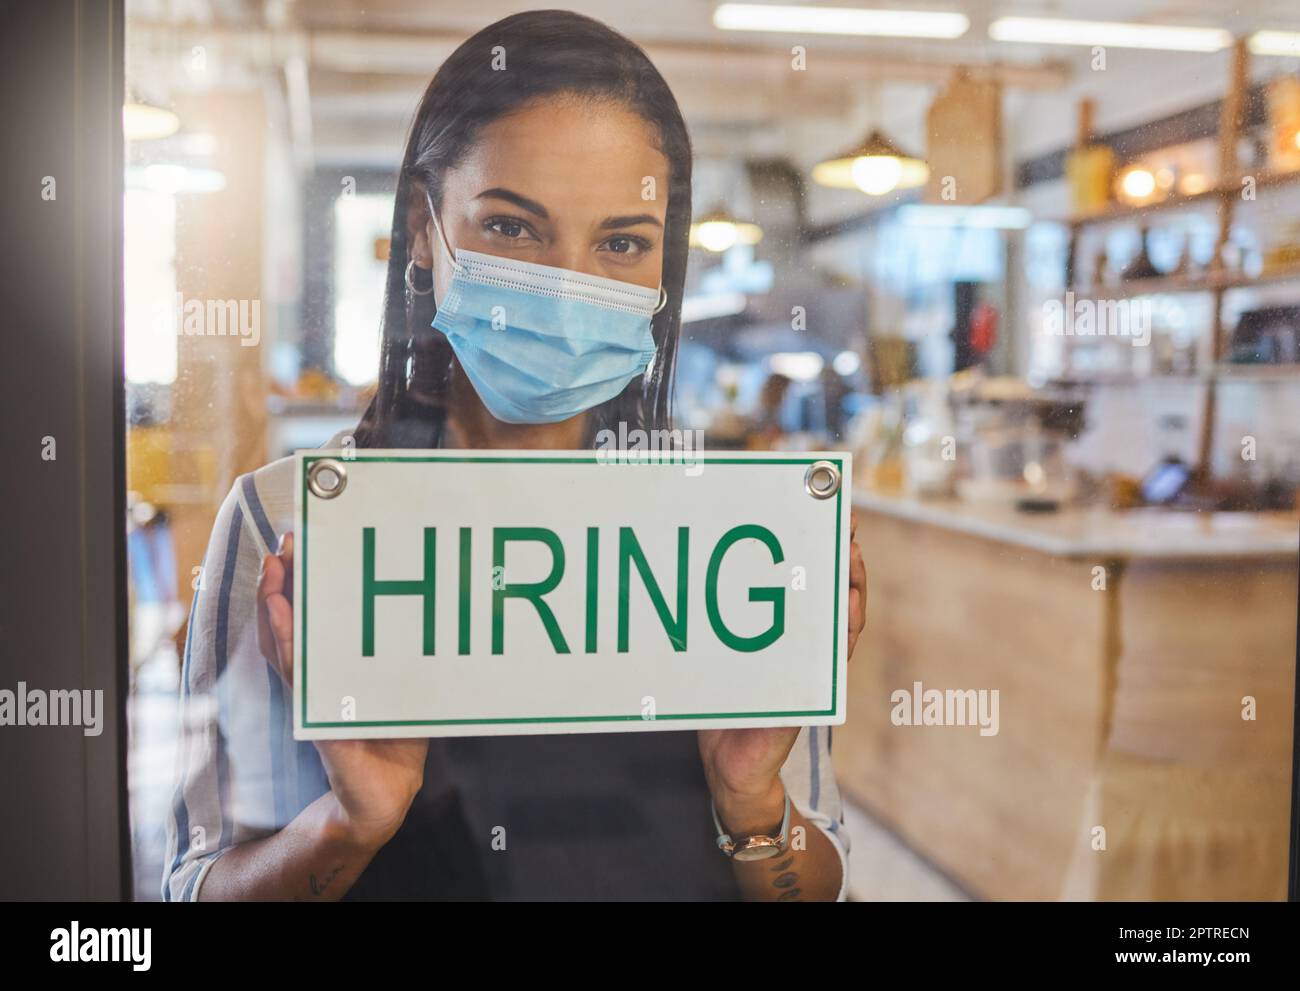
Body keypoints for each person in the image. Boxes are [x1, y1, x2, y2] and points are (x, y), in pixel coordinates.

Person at [163, 9, 867, 902]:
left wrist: (752, 802)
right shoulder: (290, 525)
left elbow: (820, 879)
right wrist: (348, 823)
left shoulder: (730, 531)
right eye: (512, 227)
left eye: (621, 243)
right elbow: (192, 890)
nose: (571, 288)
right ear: (423, 227)